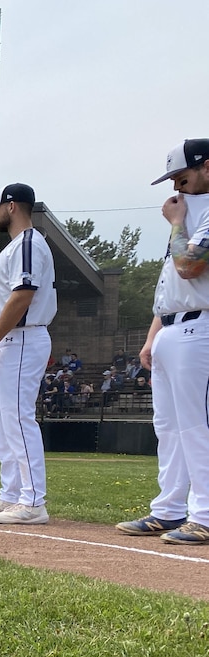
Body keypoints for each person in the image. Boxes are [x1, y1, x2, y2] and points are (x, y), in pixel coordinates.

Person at [117, 138, 209, 544]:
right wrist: (153, 336)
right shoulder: (188, 213)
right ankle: (169, 510)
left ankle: (204, 514)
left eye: (182, 177)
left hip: (201, 328)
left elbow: (189, 266)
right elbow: (170, 284)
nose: (176, 187)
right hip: (173, 328)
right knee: (168, 427)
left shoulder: (191, 215)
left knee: (196, 425)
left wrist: (176, 223)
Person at [0, 183, 58, 525]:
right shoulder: (16, 246)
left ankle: (33, 501)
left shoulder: (28, 243)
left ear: (11, 206)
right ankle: (12, 493)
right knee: (4, 421)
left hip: (23, 337)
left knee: (18, 419)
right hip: (12, 340)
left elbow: (23, 296)